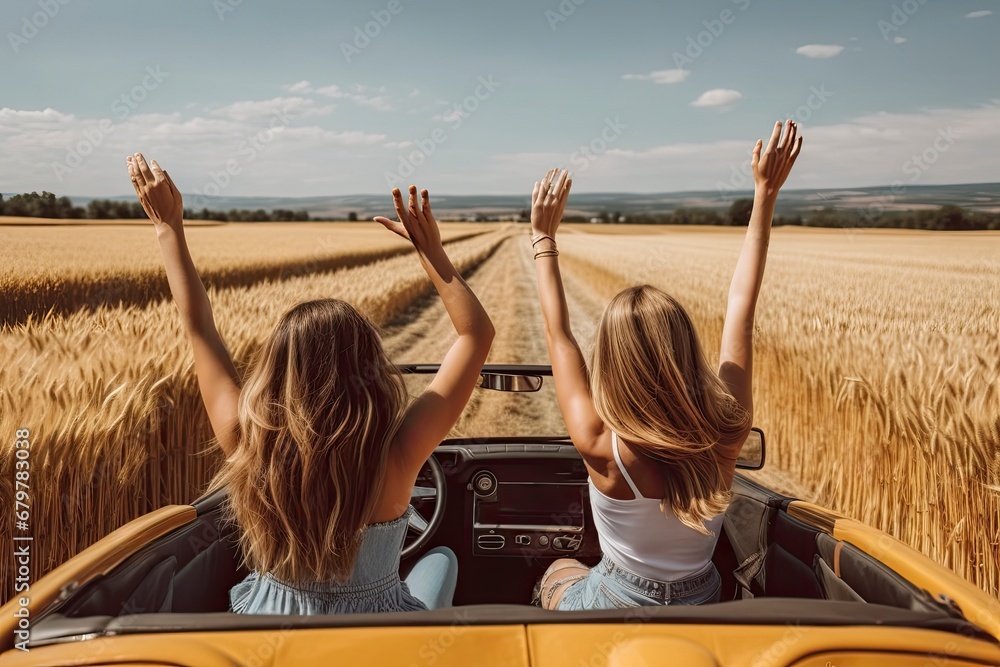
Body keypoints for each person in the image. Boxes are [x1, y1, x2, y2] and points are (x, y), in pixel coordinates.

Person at [126, 154, 494, 613]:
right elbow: (477, 335)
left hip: (267, 630)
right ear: (371, 371)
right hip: (379, 642)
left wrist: (169, 227)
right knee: (441, 559)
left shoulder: (246, 443)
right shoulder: (396, 457)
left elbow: (197, 327)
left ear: (277, 373)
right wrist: (430, 250)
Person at [529, 120, 803, 609]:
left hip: (615, 600)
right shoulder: (725, 433)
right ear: (685, 351)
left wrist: (542, 238)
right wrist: (765, 194)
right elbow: (742, 307)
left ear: (612, 363)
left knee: (557, 570)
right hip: (704, 601)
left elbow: (559, 335)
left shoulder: (600, 445)